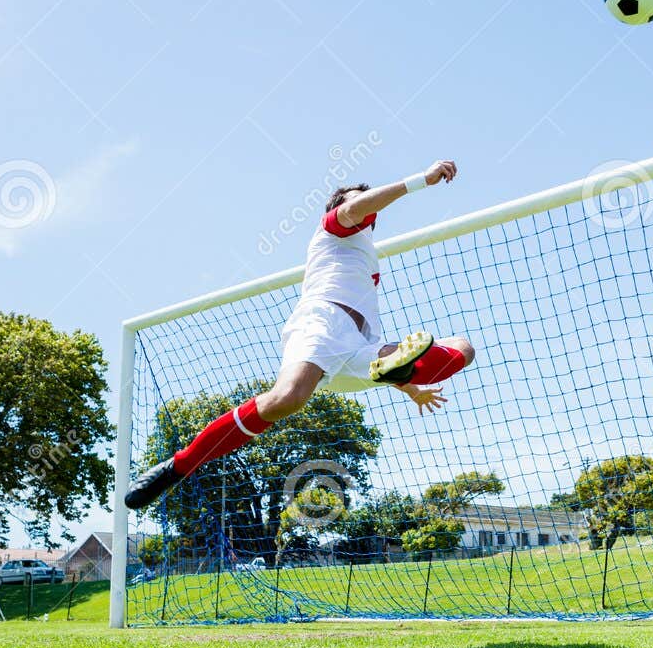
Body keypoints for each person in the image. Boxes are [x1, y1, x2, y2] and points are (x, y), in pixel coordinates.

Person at [124, 160, 476, 511]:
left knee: (464, 349)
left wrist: (411, 387)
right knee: (288, 398)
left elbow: (363, 208)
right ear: (339, 208)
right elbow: (355, 207)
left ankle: (399, 368)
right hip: (323, 322)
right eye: (358, 198)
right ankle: (179, 466)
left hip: (361, 348)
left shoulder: (366, 253)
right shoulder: (331, 230)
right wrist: (420, 181)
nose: (365, 202)